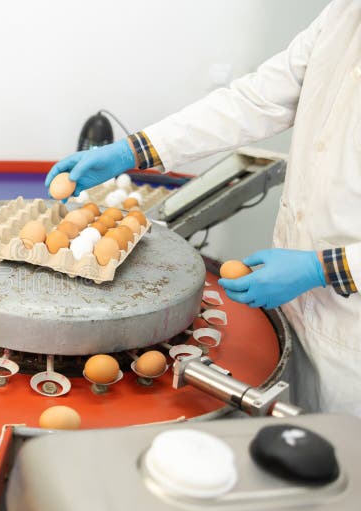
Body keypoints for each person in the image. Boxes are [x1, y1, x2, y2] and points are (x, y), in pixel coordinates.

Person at [45, 0, 360, 415]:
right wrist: (133, 150)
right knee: (296, 447)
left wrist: (327, 268)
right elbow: (259, 98)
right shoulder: (345, 13)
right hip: (303, 312)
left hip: (353, 332)